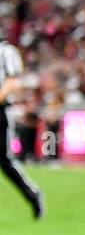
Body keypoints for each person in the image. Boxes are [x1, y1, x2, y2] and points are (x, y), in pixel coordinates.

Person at [0, 39, 44, 219]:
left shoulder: (6, 52)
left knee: (4, 159)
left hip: (1, 111)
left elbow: (12, 82)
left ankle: (32, 193)